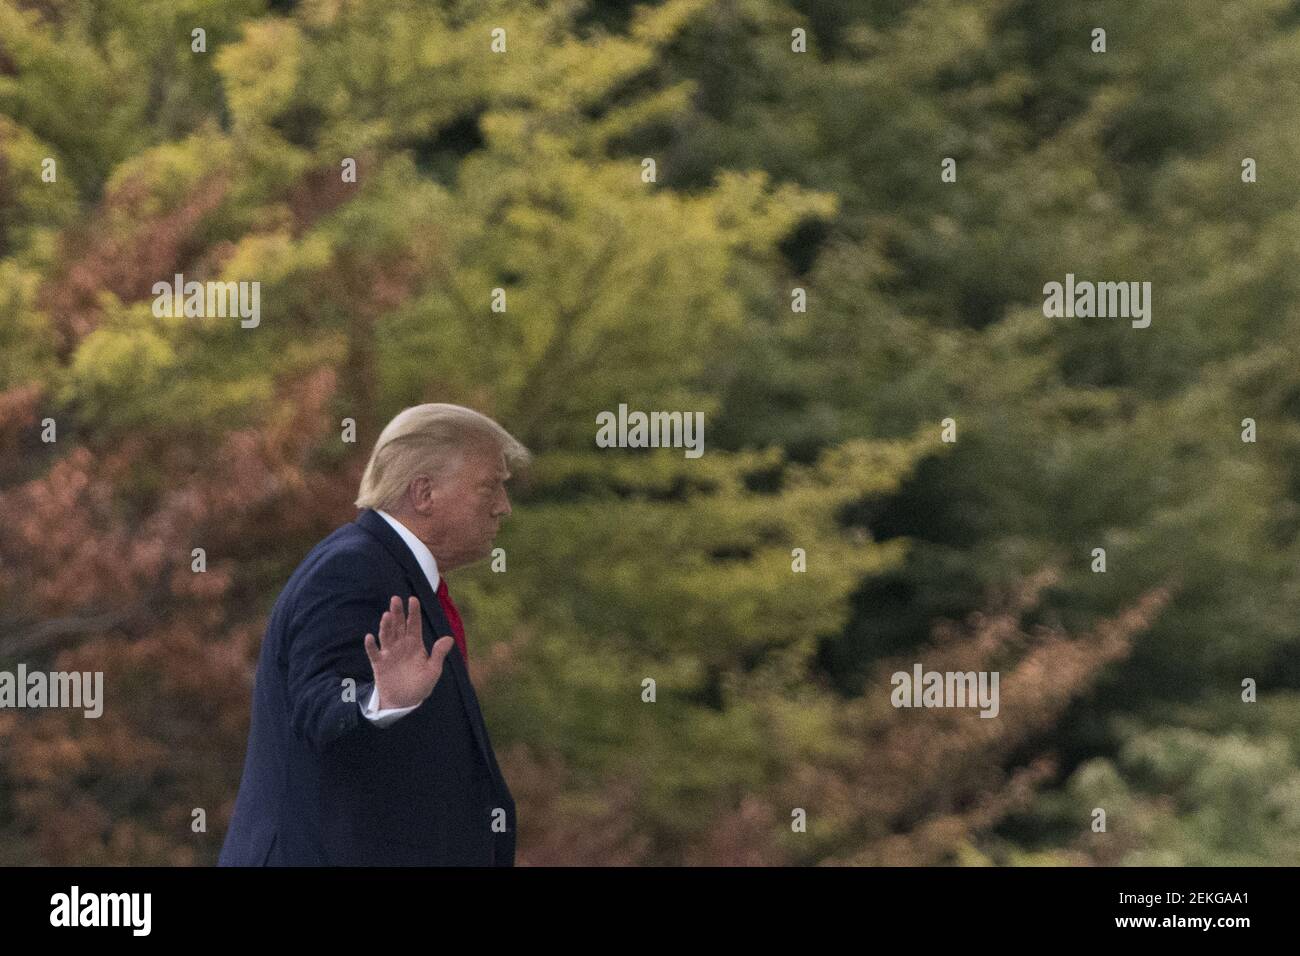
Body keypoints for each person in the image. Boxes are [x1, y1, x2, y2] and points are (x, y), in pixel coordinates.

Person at [218, 403, 529, 866]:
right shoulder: (353, 568)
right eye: (490, 486)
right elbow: (315, 702)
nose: (503, 506)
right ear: (424, 493)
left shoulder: (391, 571)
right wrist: (380, 700)